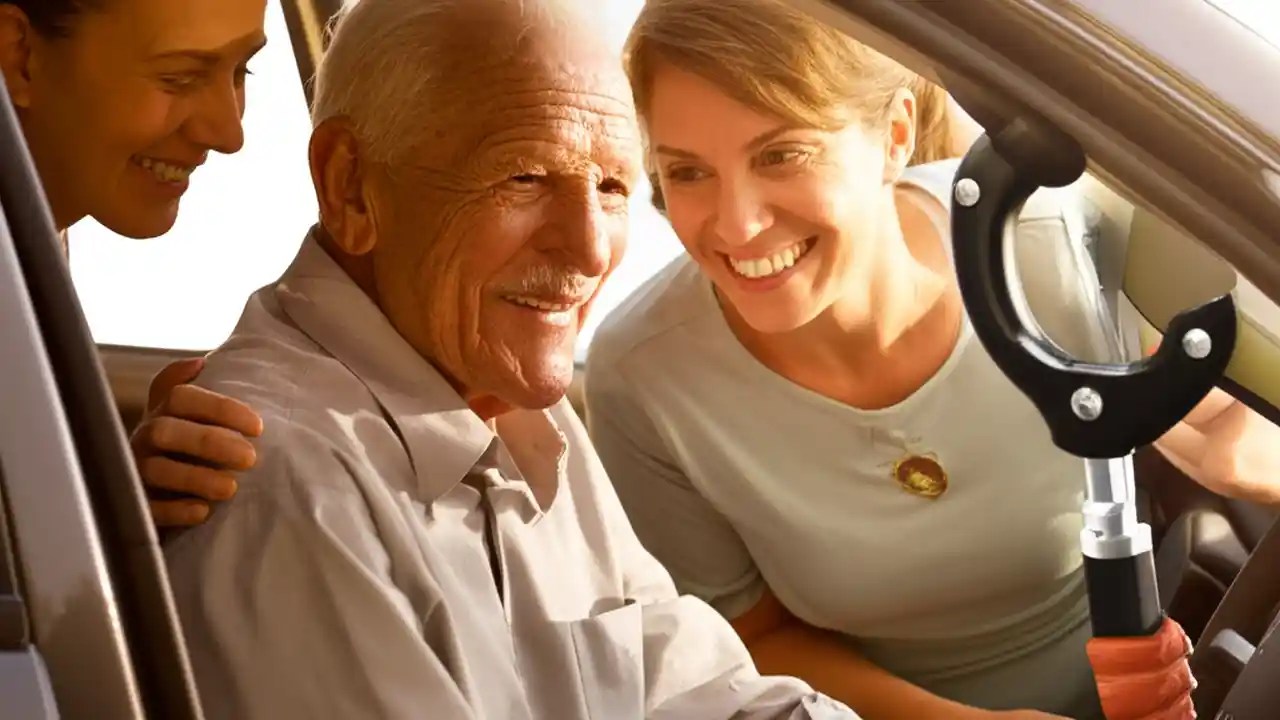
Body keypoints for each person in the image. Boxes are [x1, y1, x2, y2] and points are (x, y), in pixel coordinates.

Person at [159, 0, 860, 717]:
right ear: (350, 186)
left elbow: (692, 693)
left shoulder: (512, 399)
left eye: (614, 187)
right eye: (524, 177)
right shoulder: (277, 482)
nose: (589, 249)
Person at [583, 0, 1270, 717]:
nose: (737, 224)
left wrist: (1242, 455)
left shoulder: (1050, 237)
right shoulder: (643, 376)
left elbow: (1242, 425)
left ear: (896, 136)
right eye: (689, 173)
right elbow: (746, 642)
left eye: (780, 154)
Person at [0, 0, 267, 526]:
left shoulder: (31, 237)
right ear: (20, 56)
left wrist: (114, 494)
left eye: (241, 71)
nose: (229, 133)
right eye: (180, 78)